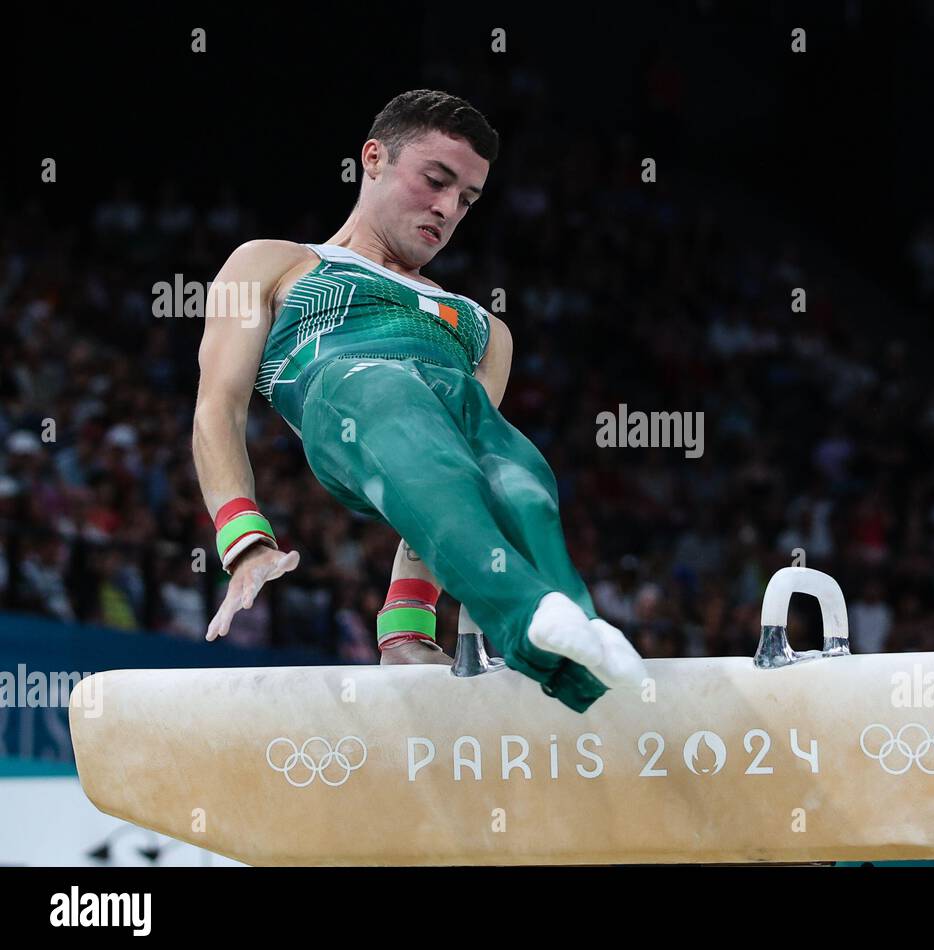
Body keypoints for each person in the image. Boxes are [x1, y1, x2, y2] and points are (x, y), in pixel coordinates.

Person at [191, 90, 646, 712]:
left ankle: (568, 638)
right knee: (393, 397)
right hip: (348, 405)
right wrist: (244, 537)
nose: (447, 208)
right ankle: (530, 614)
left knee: (518, 477)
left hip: (424, 429)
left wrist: (407, 625)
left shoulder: (485, 328)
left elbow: (450, 484)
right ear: (373, 158)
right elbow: (218, 405)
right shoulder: (273, 264)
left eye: (467, 199)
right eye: (435, 180)